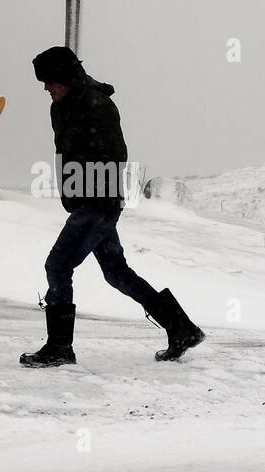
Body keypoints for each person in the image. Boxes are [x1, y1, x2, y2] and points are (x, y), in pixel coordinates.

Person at [20, 46, 205, 367]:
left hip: (99, 200)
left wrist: (97, 197)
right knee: (117, 273)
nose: (46, 88)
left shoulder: (96, 104)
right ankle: (182, 329)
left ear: (64, 77)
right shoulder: (62, 107)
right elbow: (66, 154)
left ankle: (60, 347)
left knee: (58, 265)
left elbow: (115, 154)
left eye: (49, 81)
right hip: (86, 200)